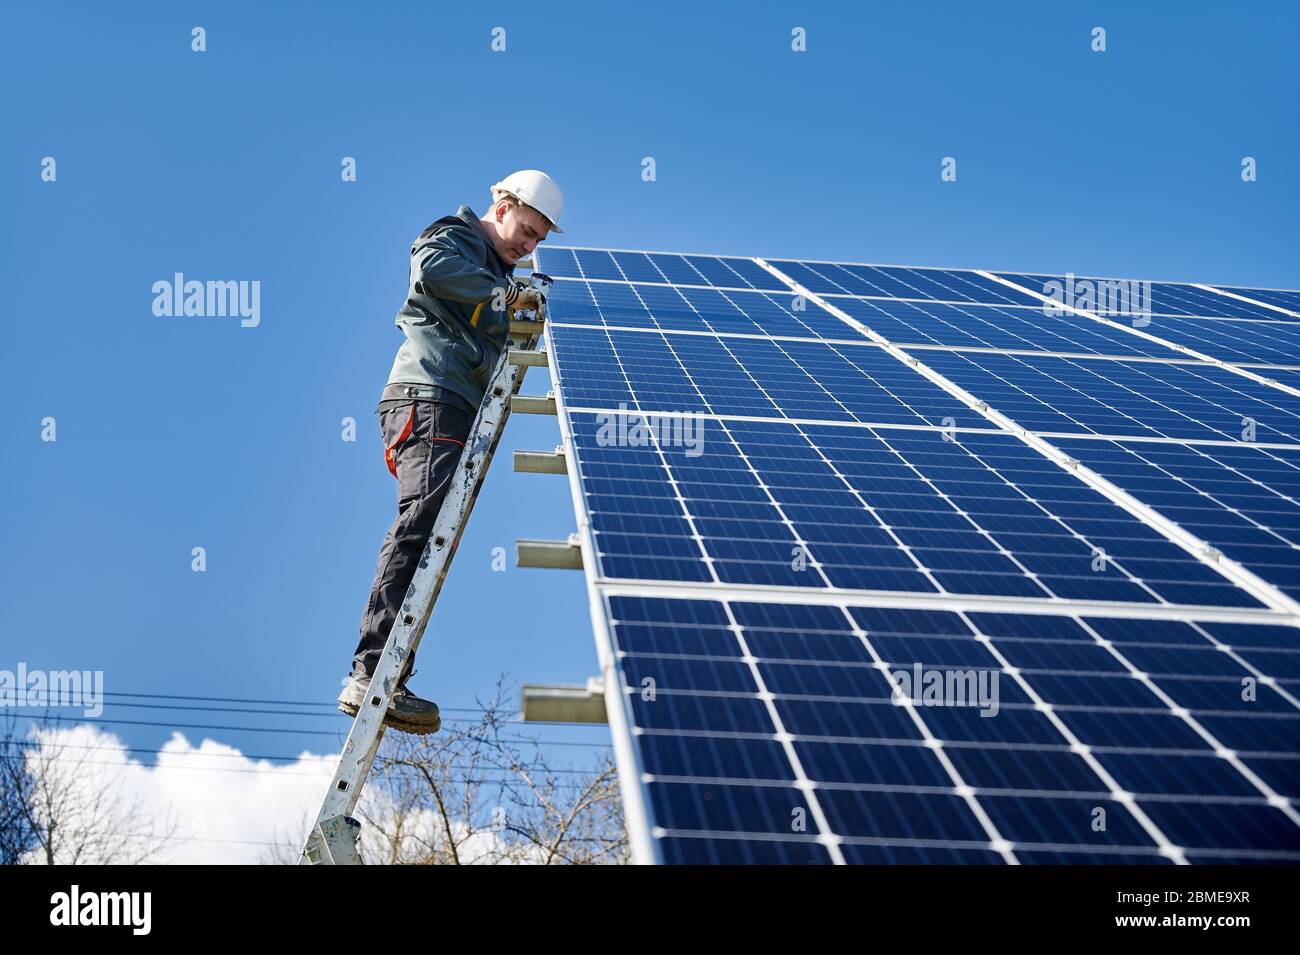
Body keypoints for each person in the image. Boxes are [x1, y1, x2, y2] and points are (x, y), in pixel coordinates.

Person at [337, 170, 564, 734]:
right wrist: (503, 293)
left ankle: (393, 675)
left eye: (539, 239)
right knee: (422, 522)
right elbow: (430, 269)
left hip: (461, 405)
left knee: (440, 537)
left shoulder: (502, 274)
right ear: (502, 205)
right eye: (526, 230)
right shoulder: (456, 237)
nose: (529, 245)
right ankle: (369, 673)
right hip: (430, 394)